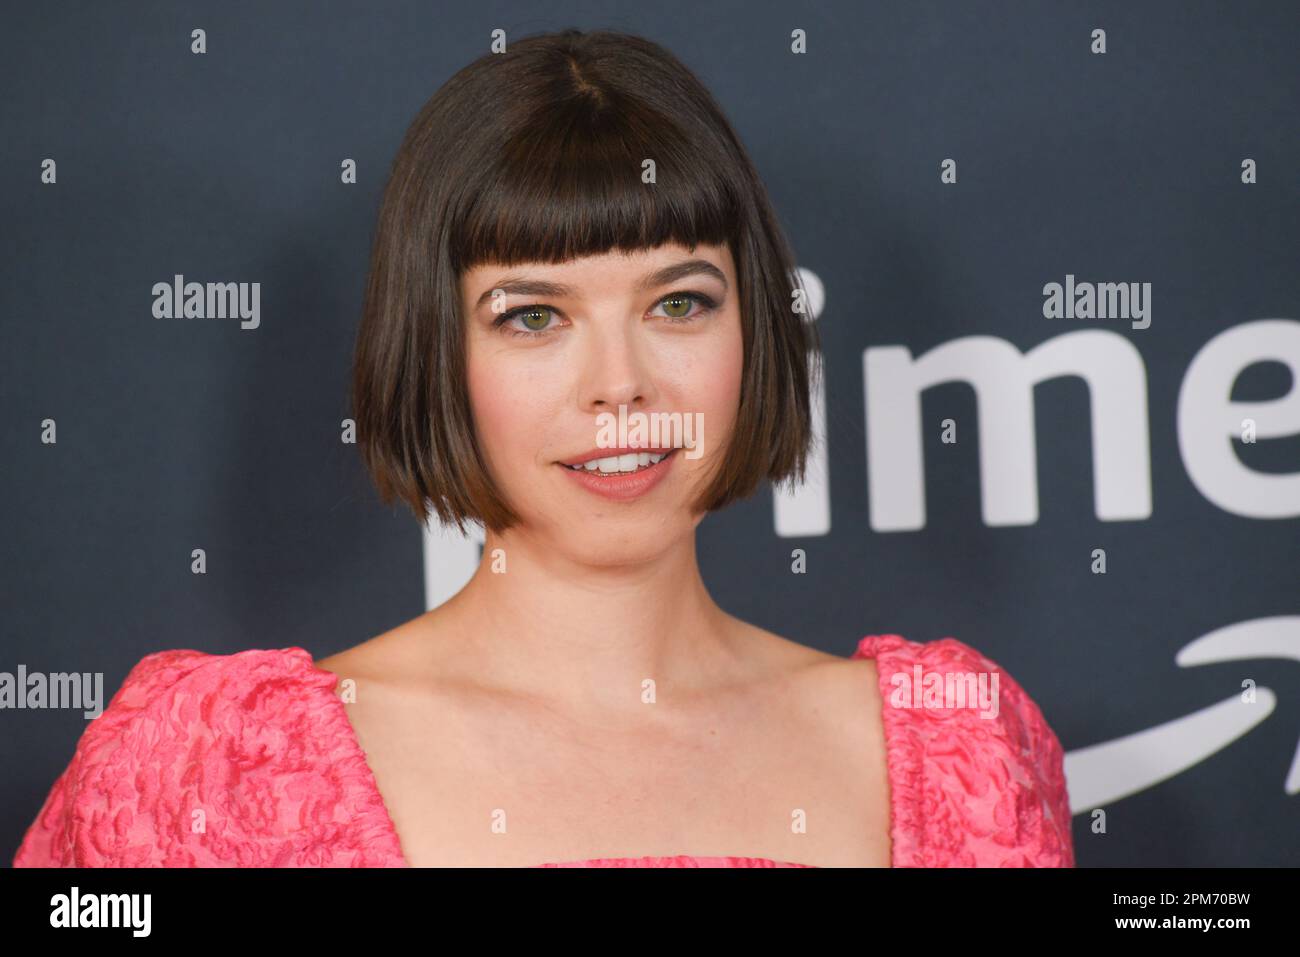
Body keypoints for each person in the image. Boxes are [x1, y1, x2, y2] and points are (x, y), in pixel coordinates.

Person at [12, 28, 1073, 868]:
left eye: (679, 303)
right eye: (533, 316)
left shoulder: (956, 750)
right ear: (433, 349)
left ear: (755, 326)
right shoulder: (209, 777)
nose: (621, 384)